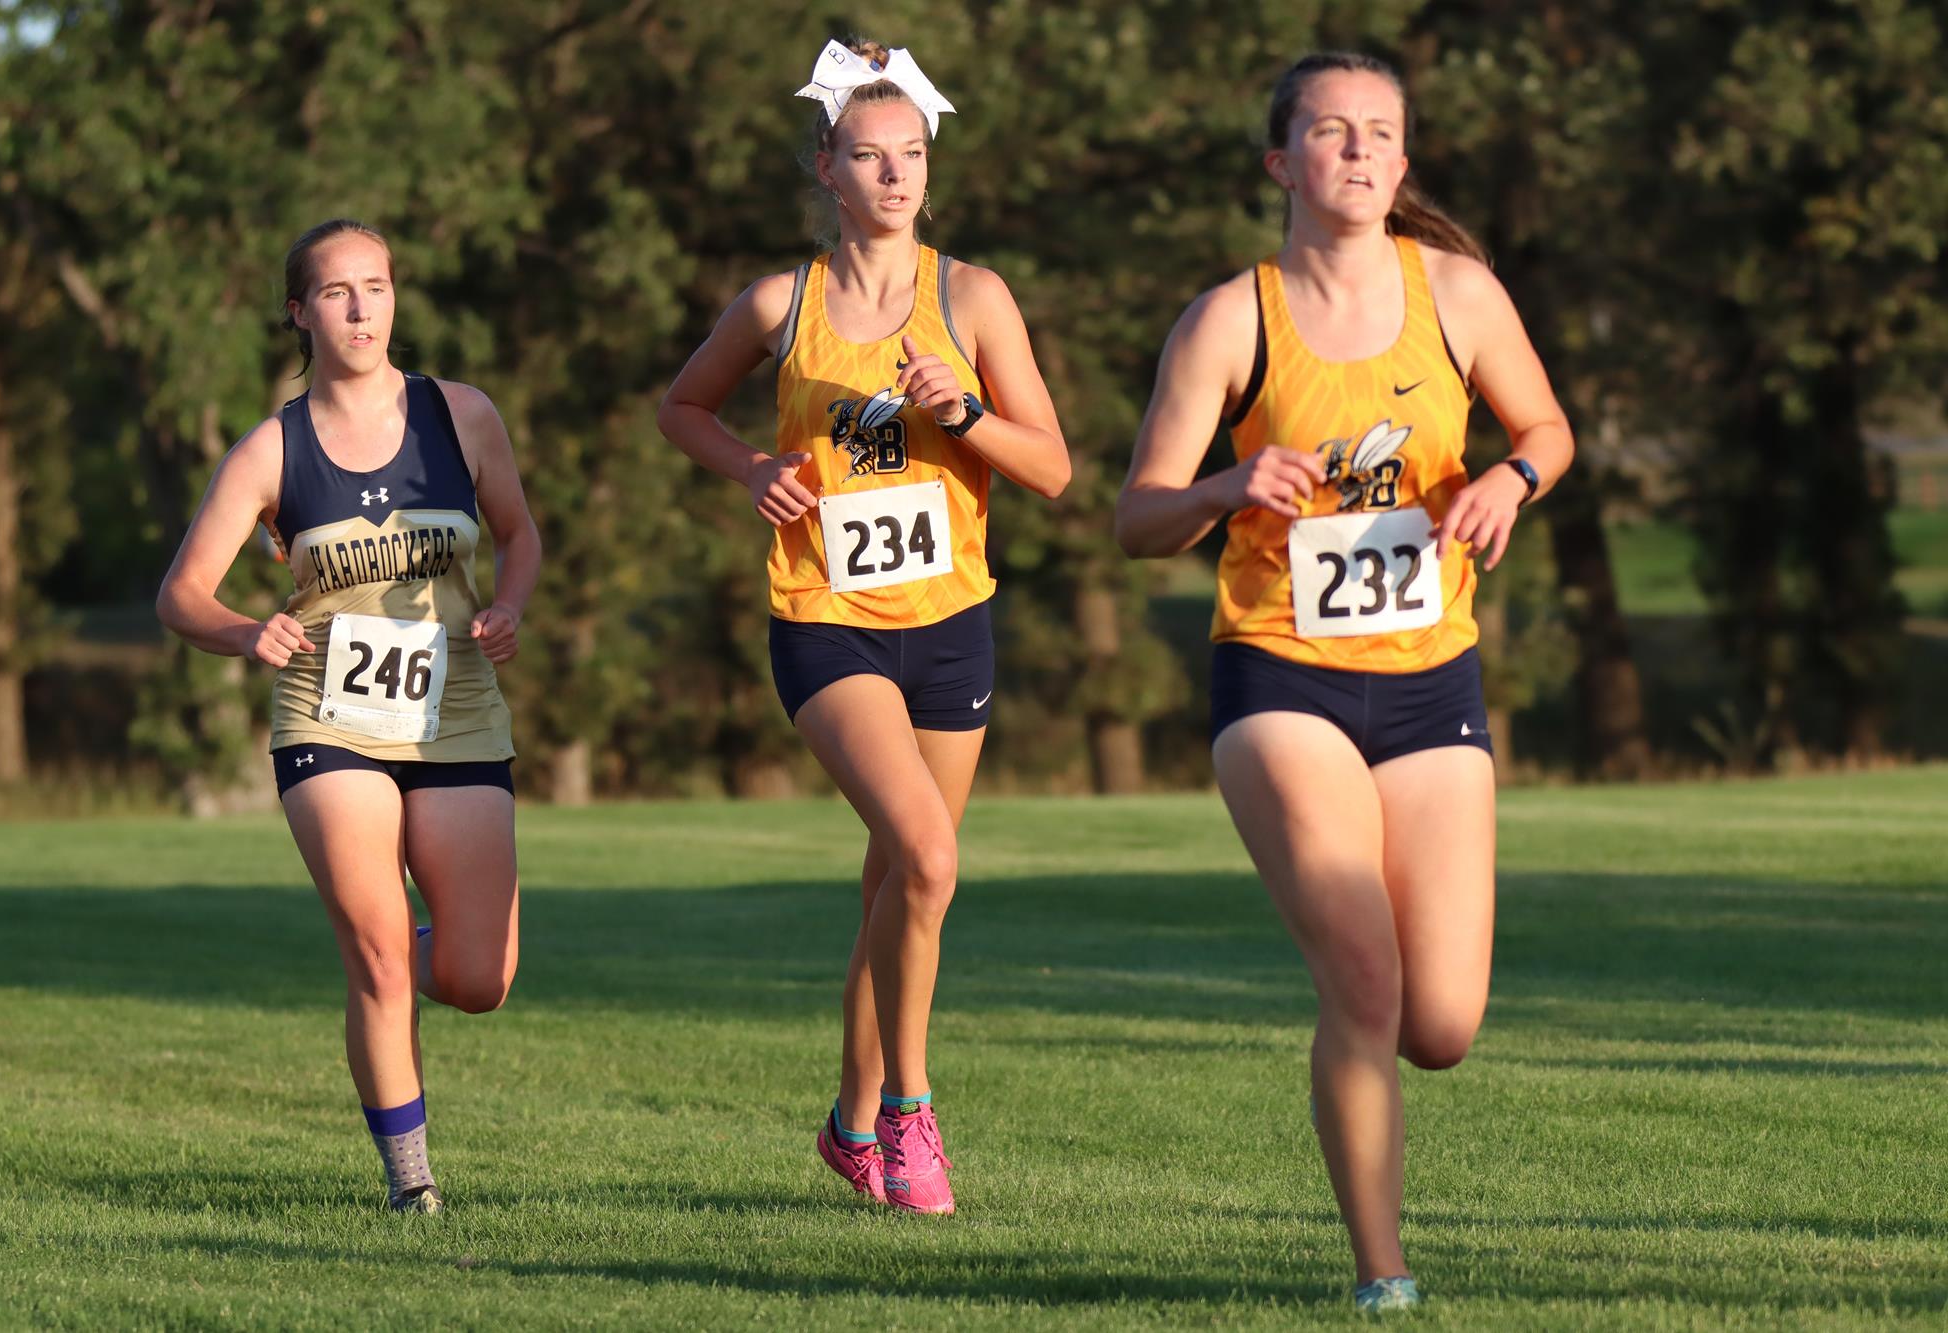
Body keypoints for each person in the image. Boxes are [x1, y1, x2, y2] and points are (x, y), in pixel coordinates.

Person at [1114, 52, 1574, 1311]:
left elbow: (1546, 432)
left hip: (1431, 680)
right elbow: (1135, 518)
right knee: (1363, 984)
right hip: (1278, 680)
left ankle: (1380, 1179)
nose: (1360, 151)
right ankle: (1383, 1276)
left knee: (1441, 1024)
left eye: (1381, 133)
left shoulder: (1461, 298)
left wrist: (1505, 482)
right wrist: (1220, 489)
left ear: (1403, 163)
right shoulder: (1228, 320)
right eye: (1331, 132)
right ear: (1281, 163)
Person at [657, 38, 1069, 1215]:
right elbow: (680, 407)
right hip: (824, 619)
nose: (893, 177)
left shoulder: (972, 297)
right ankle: (910, 1111)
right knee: (930, 856)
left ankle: (846, 1124)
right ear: (825, 171)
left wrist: (969, 409)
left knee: (898, 878)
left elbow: (1051, 469)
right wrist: (748, 468)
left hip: (952, 621)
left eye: (912, 157)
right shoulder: (779, 304)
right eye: (867, 157)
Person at [157, 219, 542, 1214]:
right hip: (327, 718)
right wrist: (247, 633)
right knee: (376, 954)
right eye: (337, 291)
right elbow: (182, 595)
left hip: (455, 714)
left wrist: (508, 607)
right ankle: (411, 1183)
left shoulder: (461, 416)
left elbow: (518, 534)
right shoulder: (271, 448)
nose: (362, 307)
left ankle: (394, 940)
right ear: (300, 312)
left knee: (476, 975)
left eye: (376, 286)